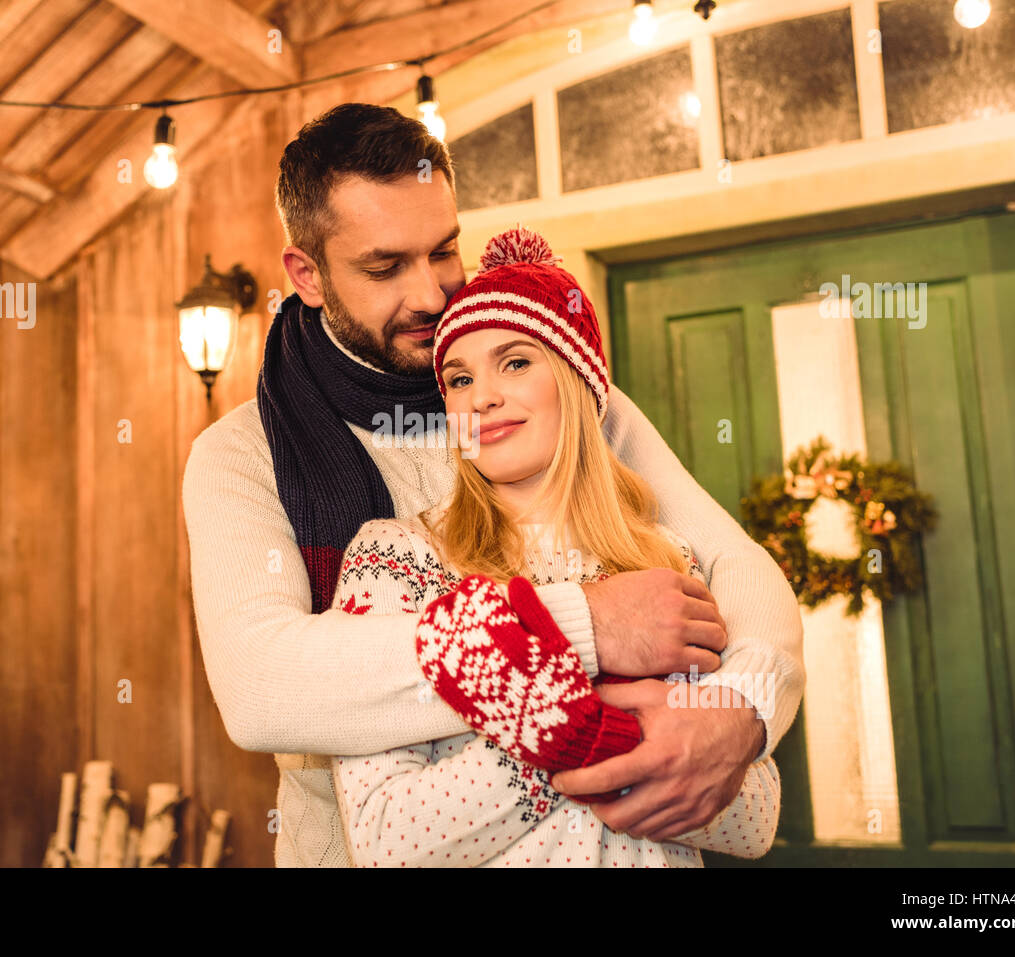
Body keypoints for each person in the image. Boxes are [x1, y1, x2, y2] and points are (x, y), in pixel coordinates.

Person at [181, 102, 805, 867]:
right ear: (306, 274)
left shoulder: (564, 403)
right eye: (385, 266)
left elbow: (735, 567)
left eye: (444, 249)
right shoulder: (242, 456)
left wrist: (742, 711)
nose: (434, 293)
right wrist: (583, 632)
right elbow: (261, 687)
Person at [329, 225, 782, 866]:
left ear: (575, 380)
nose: (482, 396)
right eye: (458, 380)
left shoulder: (663, 561)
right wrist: (575, 724)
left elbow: (755, 818)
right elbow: (385, 841)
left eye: (515, 362)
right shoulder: (398, 560)